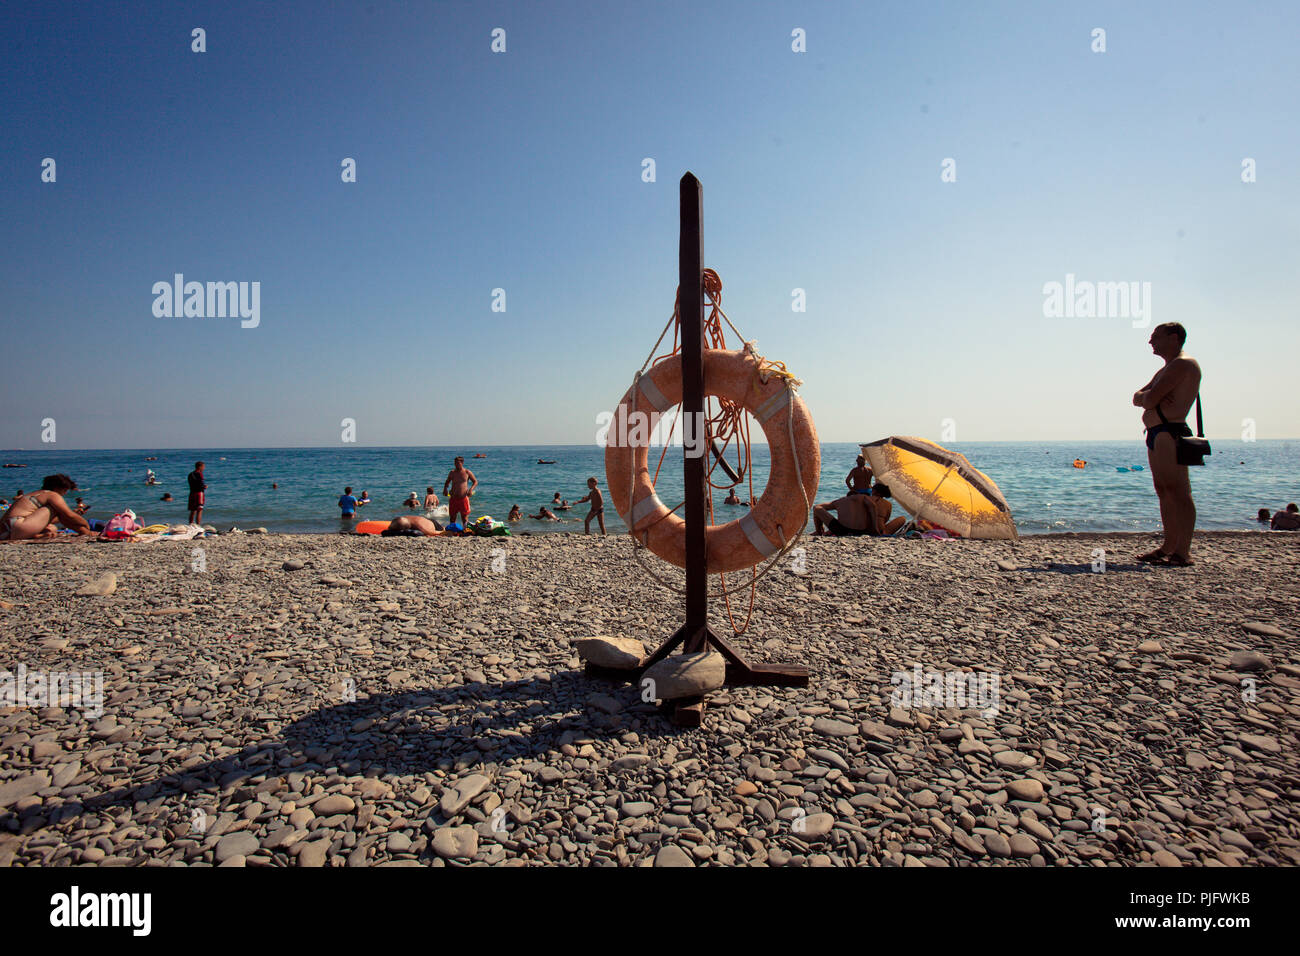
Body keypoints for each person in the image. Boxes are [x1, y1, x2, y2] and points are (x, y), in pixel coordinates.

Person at [1132, 322, 1202, 566]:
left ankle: (1183, 552)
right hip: (1157, 432)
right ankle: (1169, 545)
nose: (1151, 342)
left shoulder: (1183, 364)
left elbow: (1148, 398)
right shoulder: (1167, 368)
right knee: (1163, 490)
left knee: (1179, 490)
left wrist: (1147, 398)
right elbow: (1137, 397)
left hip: (1169, 432)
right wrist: (1147, 398)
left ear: (1174, 338)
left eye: (1155, 337)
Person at [0, 474, 92, 540]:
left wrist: (74, 513)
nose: (65, 493)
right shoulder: (51, 495)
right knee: (59, 510)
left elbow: (47, 519)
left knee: (52, 528)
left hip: (5, 531)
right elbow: (69, 515)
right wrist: (85, 525)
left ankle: (36, 536)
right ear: (57, 488)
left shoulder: (36, 494)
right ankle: (85, 532)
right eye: (65, 490)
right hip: (18, 527)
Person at [813, 492, 878, 536]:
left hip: (842, 531)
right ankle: (821, 531)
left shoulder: (840, 501)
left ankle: (819, 531)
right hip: (861, 531)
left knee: (816, 508)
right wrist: (875, 527)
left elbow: (818, 507)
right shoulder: (863, 497)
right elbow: (873, 506)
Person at [442, 457, 478, 526]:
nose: (456, 465)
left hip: (463, 498)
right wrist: (445, 489)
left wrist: (471, 489)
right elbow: (447, 482)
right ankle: (452, 531)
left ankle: (465, 531)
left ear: (462, 463)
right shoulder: (452, 472)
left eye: (457, 463)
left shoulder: (467, 472)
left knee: (464, 517)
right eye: (455, 463)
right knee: (452, 517)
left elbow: (475, 482)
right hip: (453, 498)